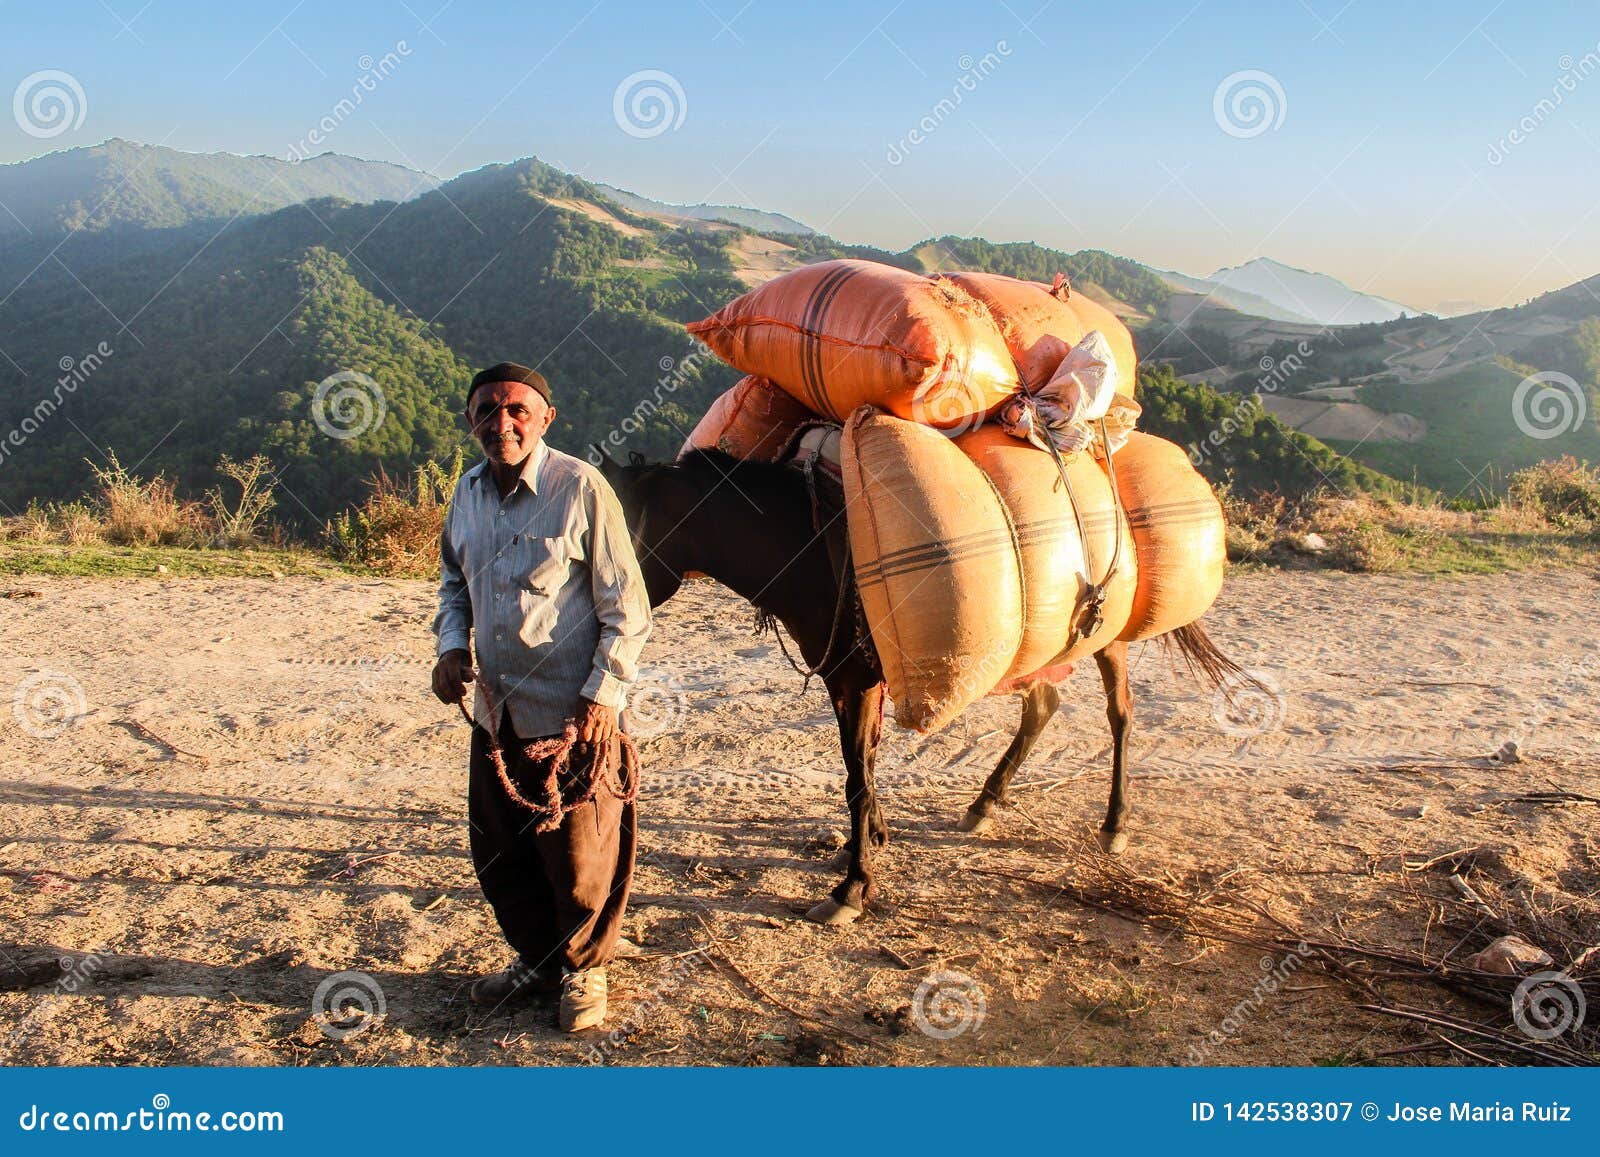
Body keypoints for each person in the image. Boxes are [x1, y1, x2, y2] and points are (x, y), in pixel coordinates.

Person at [431, 362, 651, 1032]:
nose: (503, 423)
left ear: (546, 418)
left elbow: (628, 608)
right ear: (470, 421)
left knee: (582, 858)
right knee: (500, 850)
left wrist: (602, 698)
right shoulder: (465, 494)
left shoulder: (580, 488)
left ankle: (584, 969)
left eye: (518, 410)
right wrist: (449, 646)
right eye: (488, 411)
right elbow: (451, 581)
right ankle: (535, 958)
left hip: (574, 717)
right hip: (497, 716)